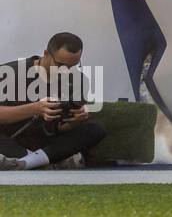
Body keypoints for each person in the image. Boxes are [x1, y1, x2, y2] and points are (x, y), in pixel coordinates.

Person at [0, 32, 105, 170]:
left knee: (95, 129)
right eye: (60, 64)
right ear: (46, 54)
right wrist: (35, 108)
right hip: (9, 140)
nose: (65, 71)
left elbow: (59, 128)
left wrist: (75, 122)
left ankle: (26, 162)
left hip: (44, 143)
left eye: (72, 66)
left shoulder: (77, 80)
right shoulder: (10, 72)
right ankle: (39, 161)